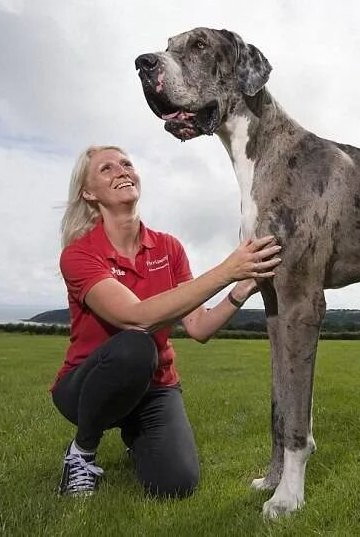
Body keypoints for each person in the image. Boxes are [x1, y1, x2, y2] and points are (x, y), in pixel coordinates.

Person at [51, 145, 281, 498]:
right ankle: (82, 452)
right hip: (85, 387)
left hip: (155, 387)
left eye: (127, 164)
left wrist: (241, 286)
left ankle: (137, 435)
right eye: (107, 169)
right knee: (136, 345)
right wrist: (227, 269)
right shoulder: (79, 254)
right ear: (88, 192)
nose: (122, 171)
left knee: (176, 485)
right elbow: (134, 317)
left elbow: (199, 327)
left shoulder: (168, 248)